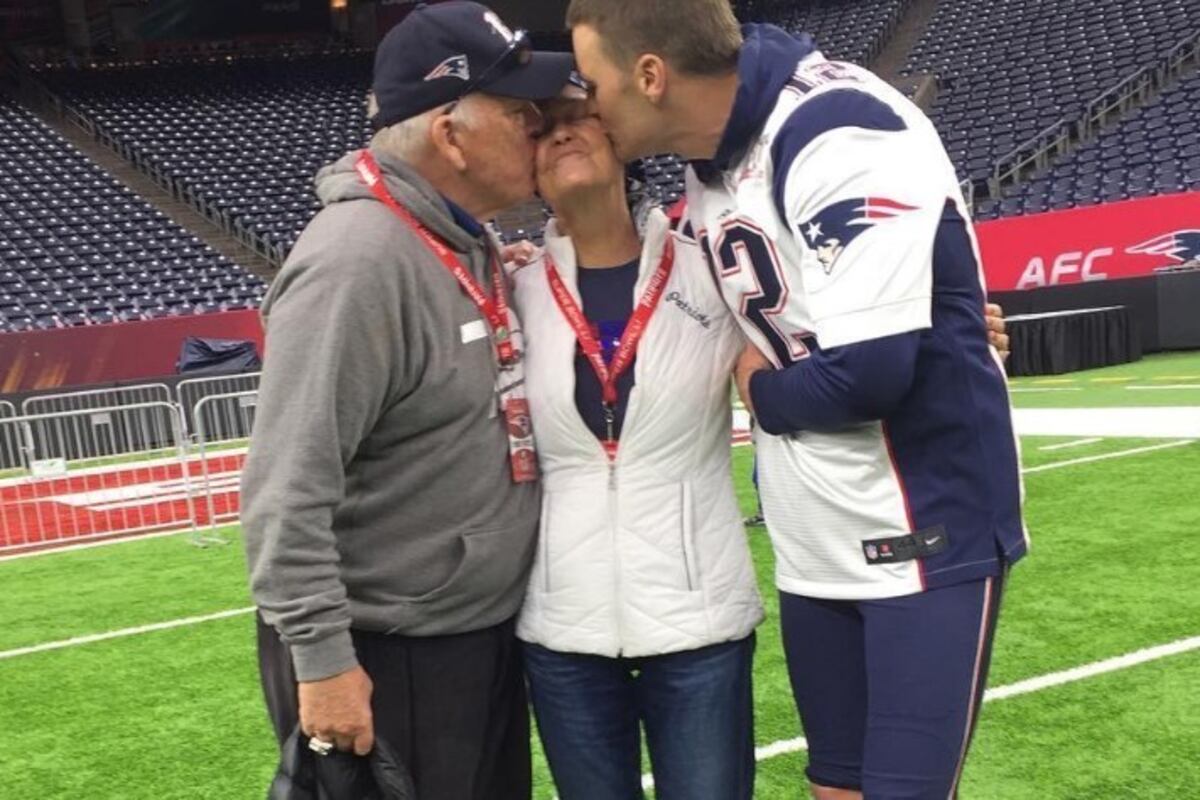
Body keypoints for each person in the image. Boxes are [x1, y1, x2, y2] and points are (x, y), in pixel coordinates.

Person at [566, 2, 1026, 798]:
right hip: (815, 542)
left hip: (923, 527)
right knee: (835, 789)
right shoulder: (708, 164)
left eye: (593, 81)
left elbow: (870, 375)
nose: (588, 104)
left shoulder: (837, 128)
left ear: (651, 75)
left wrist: (758, 386)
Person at [238, 3, 572, 798]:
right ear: (450, 135)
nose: (540, 131)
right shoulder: (356, 262)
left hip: (466, 632)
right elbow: (286, 486)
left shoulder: (460, 237)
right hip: (388, 648)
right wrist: (323, 661)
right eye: (520, 115)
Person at [509, 97, 763, 799]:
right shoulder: (514, 293)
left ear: (621, 143)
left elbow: (810, 339)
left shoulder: (712, 271)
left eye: (581, 118)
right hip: (563, 629)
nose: (562, 134)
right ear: (531, 175)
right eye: (543, 130)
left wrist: (951, 330)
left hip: (699, 621)